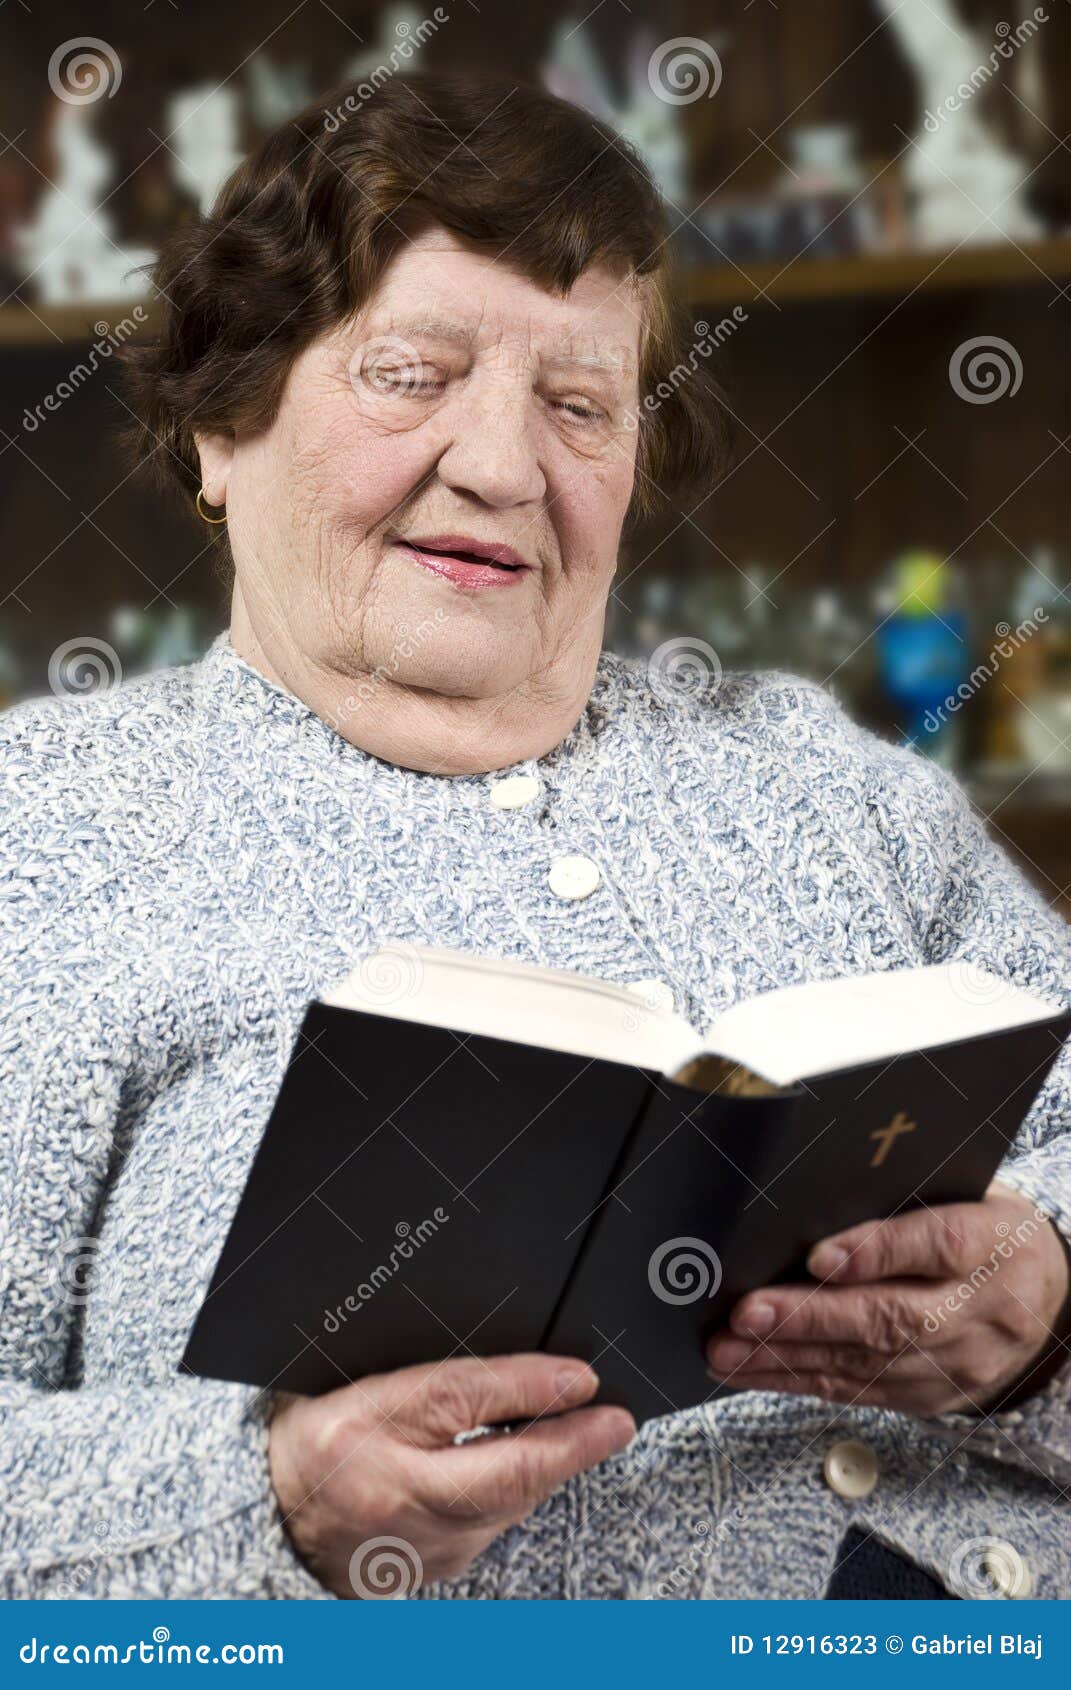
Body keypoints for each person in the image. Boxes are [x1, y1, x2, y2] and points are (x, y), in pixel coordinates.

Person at [1, 72, 1068, 1603]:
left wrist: (1045, 1328)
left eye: (579, 405)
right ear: (221, 430)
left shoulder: (828, 784)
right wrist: (273, 1502)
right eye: (412, 373)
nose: (504, 467)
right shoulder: (41, 836)